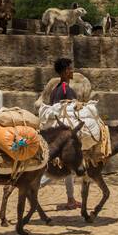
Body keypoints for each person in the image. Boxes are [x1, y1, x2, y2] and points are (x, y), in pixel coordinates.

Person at [39, 58, 93, 209]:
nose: (72, 71)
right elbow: (72, 111)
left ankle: (70, 199)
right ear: (64, 72)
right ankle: (34, 187)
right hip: (65, 135)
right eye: (70, 69)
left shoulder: (56, 89)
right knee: (63, 168)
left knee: (68, 168)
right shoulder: (65, 90)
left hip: (58, 132)